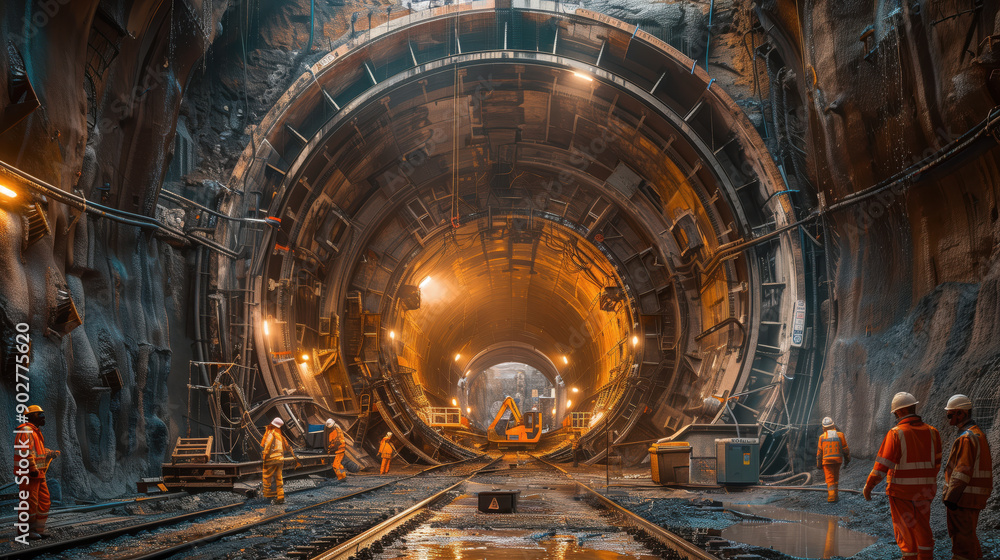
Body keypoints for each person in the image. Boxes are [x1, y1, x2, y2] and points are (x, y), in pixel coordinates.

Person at [863, 392, 941, 560]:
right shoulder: (933, 432)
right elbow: (937, 463)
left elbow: (881, 467)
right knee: (922, 526)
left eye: (895, 413)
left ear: (899, 412)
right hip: (925, 491)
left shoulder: (896, 433)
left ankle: (910, 557)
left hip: (901, 492)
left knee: (904, 527)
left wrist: (868, 487)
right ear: (913, 408)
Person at [941, 394, 993, 560]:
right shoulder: (977, 434)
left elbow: (962, 471)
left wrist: (951, 498)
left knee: (962, 544)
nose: (948, 419)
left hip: (962, 499)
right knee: (969, 539)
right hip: (972, 497)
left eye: (950, 415)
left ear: (961, 414)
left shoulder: (966, 438)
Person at [15, 405, 59, 540]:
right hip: (29, 474)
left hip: (38, 474)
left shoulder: (35, 431)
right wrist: (32, 468)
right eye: (40, 414)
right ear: (32, 416)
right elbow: (25, 451)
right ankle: (24, 531)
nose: (43, 417)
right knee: (29, 503)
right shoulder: (26, 430)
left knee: (44, 501)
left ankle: (37, 529)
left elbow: (36, 451)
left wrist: (49, 453)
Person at [261, 418, 299, 504]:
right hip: (280, 460)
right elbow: (287, 447)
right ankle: (280, 497)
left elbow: (267, 446)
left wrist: (264, 456)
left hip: (271, 459)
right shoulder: (280, 436)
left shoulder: (271, 434)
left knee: (267, 477)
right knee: (279, 478)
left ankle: (267, 497)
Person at [816, 416, 850, 502]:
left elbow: (819, 453)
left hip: (827, 462)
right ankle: (836, 495)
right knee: (835, 478)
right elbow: (845, 449)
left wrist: (818, 464)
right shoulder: (840, 435)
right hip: (838, 460)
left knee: (830, 479)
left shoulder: (822, 437)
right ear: (833, 425)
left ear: (824, 427)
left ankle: (832, 497)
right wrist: (847, 459)